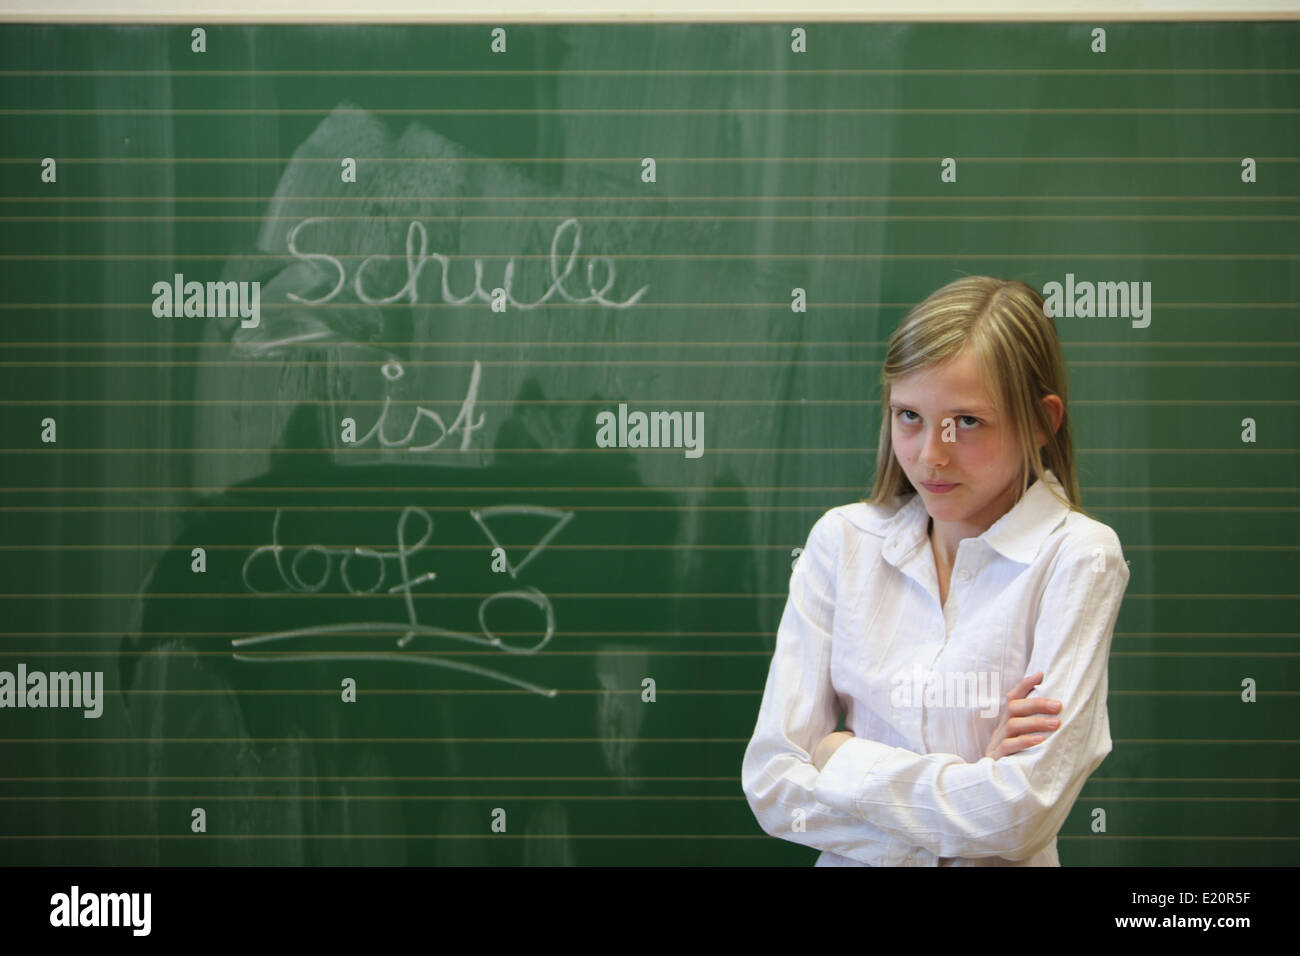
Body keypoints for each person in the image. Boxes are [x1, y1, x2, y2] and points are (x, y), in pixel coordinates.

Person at [741, 276, 1131, 866]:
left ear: (1041, 422)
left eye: (967, 422)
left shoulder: (1078, 556)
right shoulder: (842, 542)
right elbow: (773, 785)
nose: (931, 455)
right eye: (909, 416)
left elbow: (1023, 812)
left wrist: (840, 757)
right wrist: (973, 791)